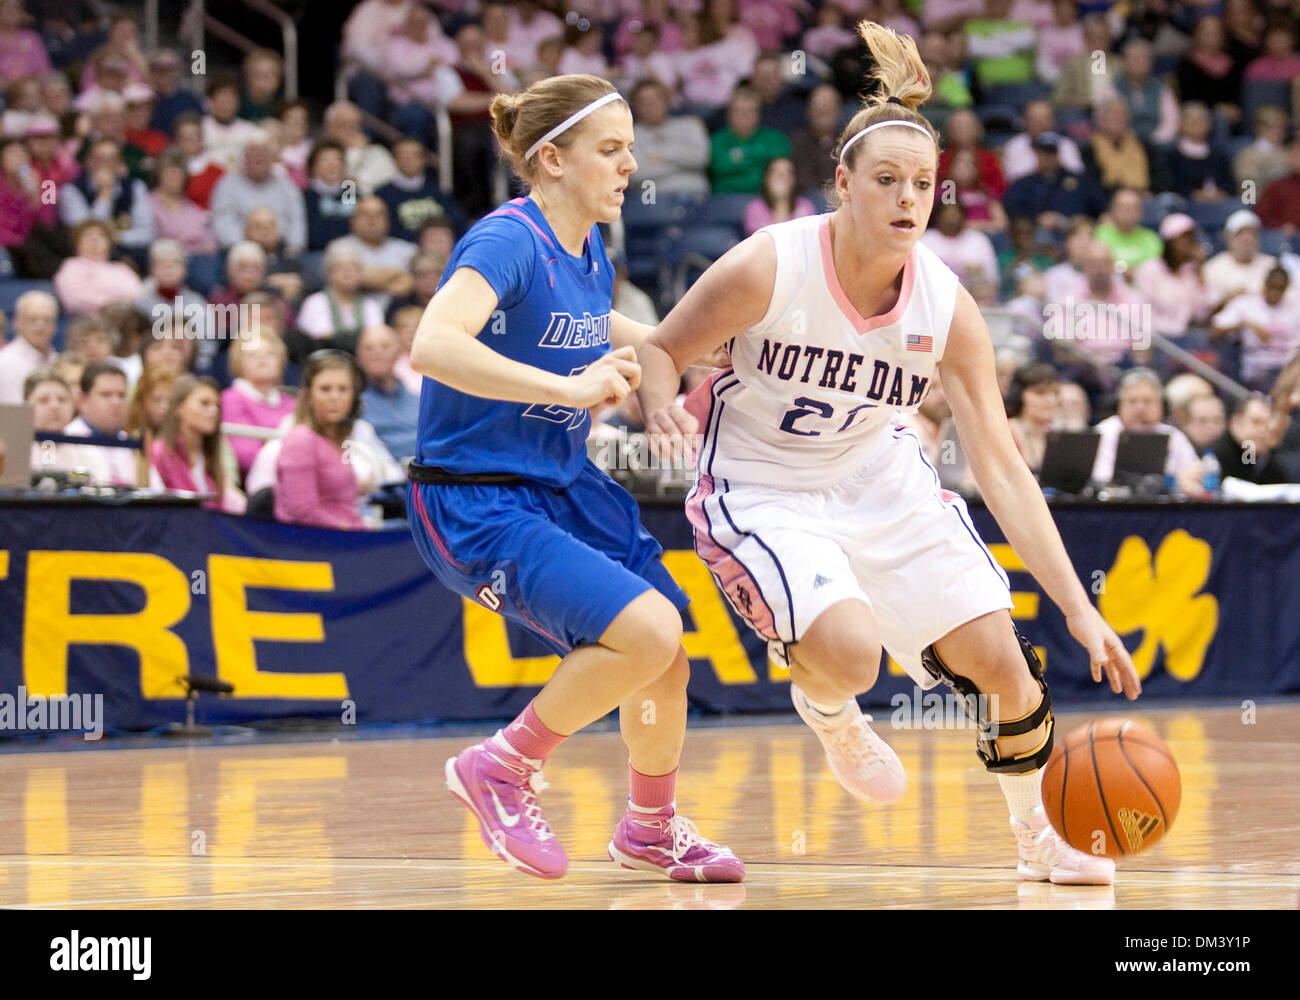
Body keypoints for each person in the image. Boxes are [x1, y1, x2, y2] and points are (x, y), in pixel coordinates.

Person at [636, 22, 1140, 886]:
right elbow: (659, 347)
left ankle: (1037, 835)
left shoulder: (947, 305)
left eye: (923, 184)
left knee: (1004, 666)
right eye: (886, 181)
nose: (909, 200)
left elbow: (1001, 466)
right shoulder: (770, 265)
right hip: (763, 483)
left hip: (879, 477)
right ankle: (830, 708)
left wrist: (1076, 607)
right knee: (851, 654)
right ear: (842, 183)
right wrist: (657, 404)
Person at [406, 73, 741, 883]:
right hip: (474, 493)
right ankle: (501, 767)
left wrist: (696, 349)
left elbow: (603, 328)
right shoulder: (508, 239)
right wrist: (566, 388)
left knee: (665, 653)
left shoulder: (589, 244)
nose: (631, 165)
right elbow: (432, 344)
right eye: (611, 149)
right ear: (553, 159)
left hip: (559, 484)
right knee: (646, 632)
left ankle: (649, 828)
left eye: (631, 149)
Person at [273, 350, 370, 529]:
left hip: (351, 533)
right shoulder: (300, 440)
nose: (335, 397)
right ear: (309, 395)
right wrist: (351, 533)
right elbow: (303, 511)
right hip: (318, 540)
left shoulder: (340, 438)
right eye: (325, 389)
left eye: (343, 389)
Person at [1089, 367, 1203, 492]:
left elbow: (1194, 472)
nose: (1140, 408)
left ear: (1161, 405)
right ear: (1119, 405)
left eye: (1147, 401)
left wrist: (1187, 481)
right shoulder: (1103, 433)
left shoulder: (1173, 436)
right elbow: (1101, 480)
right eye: (1132, 401)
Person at [151, 375, 247, 513]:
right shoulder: (160, 452)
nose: (214, 411)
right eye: (204, 403)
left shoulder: (212, 457)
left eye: (217, 406)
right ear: (180, 407)